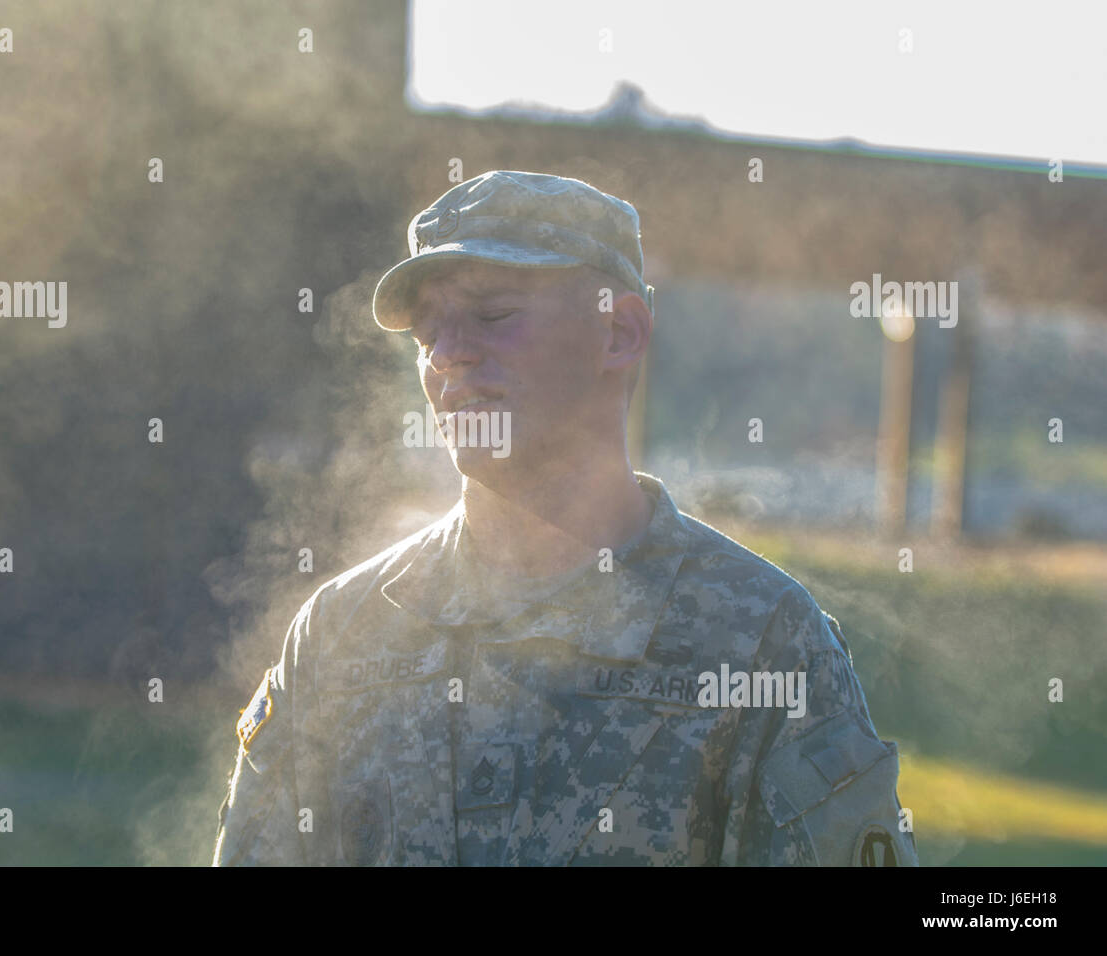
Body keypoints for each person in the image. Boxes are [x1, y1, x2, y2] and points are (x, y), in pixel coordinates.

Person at [213, 170, 918, 866]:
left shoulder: (761, 642)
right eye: (429, 333)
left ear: (619, 332)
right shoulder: (342, 632)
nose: (449, 354)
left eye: (493, 316)